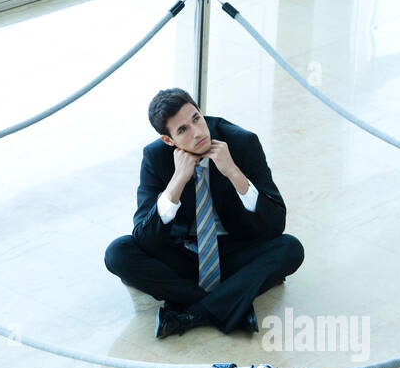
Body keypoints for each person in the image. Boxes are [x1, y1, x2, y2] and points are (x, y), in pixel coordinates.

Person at [105, 88, 304, 338]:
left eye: (196, 118)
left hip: (235, 251)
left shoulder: (243, 142)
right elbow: (145, 239)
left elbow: (275, 225)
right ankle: (230, 302)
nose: (197, 132)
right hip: (186, 253)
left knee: (290, 249)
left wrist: (233, 173)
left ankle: (191, 314)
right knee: (118, 253)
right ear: (168, 140)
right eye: (182, 130)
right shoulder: (155, 157)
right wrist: (177, 181)